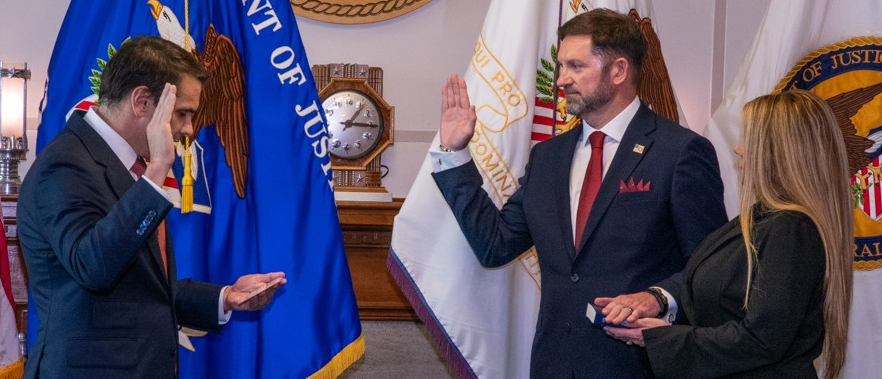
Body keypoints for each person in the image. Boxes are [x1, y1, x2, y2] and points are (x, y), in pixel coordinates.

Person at [431, 8, 727, 378]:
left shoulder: (680, 151)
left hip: (639, 366)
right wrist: (454, 154)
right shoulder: (547, 157)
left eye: (575, 66)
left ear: (618, 70)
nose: (560, 80)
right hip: (555, 366)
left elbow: (714, 267)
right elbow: (495, 244)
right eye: (560, 66)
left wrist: (656, 297)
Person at [17, 36, 286, 379]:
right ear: (142, 102)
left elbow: (144, 290)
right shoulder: (65, 165)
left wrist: (225, 297)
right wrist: (158, 169)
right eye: (182, 113)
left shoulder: (131, 166)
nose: (188, 129)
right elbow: (94, 266)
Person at [605, 90, 853, 379]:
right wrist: (656, 301)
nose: (738, 149)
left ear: (777, 151)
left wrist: (663, 338)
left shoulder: (790, 229)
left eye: (749, 139)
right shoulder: (764, 220)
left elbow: (762, 339)